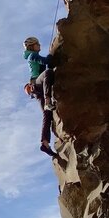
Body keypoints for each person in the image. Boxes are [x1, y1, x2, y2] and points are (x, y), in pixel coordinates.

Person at [23, 36, 64, 165]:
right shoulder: (32, 56)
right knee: (48, 73)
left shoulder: (32, 55)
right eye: (37, 44)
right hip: (37, 84)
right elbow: (46, 61)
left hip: (37, 89)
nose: (39, 45)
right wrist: (53, 52)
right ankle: (48, 99)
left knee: (47, 115)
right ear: (32, 46)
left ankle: (44, 143)